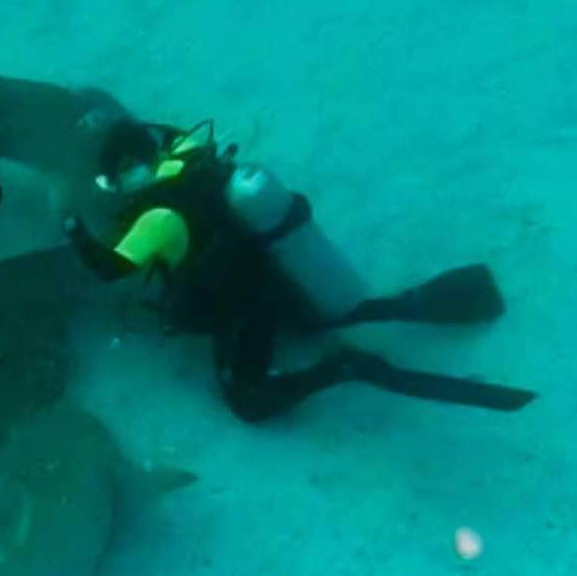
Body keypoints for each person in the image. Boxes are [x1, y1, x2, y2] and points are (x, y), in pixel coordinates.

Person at [62, 119, 537, 422]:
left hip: (243, 303)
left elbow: (110, 268)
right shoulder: (186, 151)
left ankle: (344, 369)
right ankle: (419, 302)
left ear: (128, 169)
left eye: (112, 181)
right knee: (323, 315)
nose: (113, 191)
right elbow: (158, 136)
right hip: (276, 271)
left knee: (248, 402)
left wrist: (75, 232)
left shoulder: (157, 216)